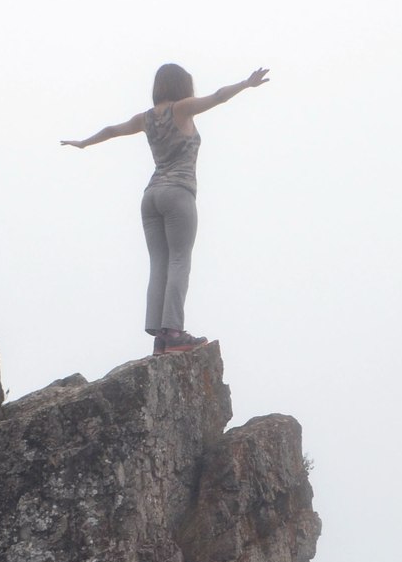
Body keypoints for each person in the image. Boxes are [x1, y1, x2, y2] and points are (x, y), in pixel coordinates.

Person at [62, 63, 269, 354]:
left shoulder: (145, 118)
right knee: (180, 260)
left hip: (151, 196)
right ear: (182, 85)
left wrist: (84, 143)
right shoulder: (182, 109)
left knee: (158, 262)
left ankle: (160, 336)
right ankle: (174, 332)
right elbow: (219, 96)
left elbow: (111, 130)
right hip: (178, 193)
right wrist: (246, 84)